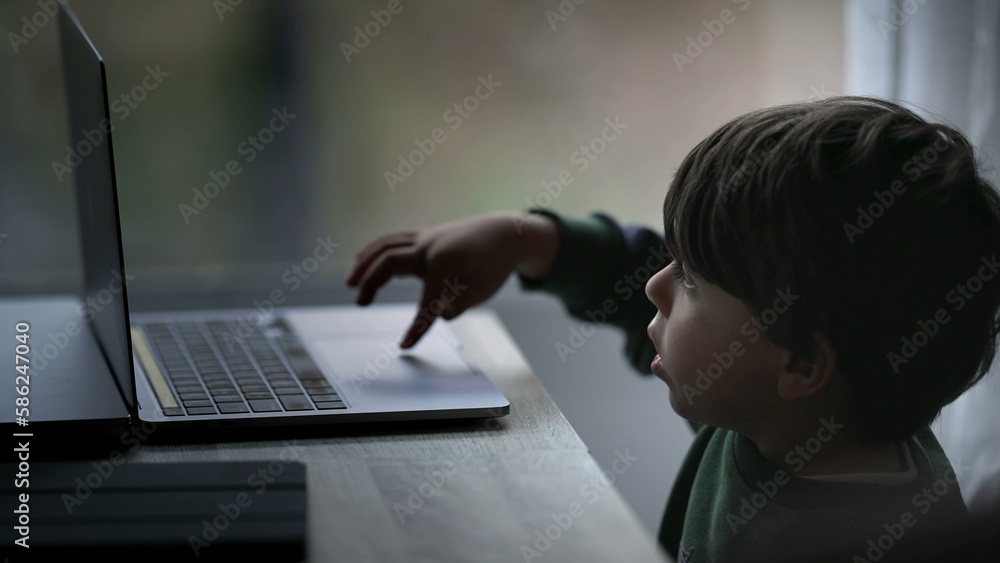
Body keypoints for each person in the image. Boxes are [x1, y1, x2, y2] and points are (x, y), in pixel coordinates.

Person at [344, 96, 1000, 561]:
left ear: (800, 362)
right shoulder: (800, 412)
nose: (657, 285)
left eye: (688, 279)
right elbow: (641, 292)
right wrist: (527, 239)